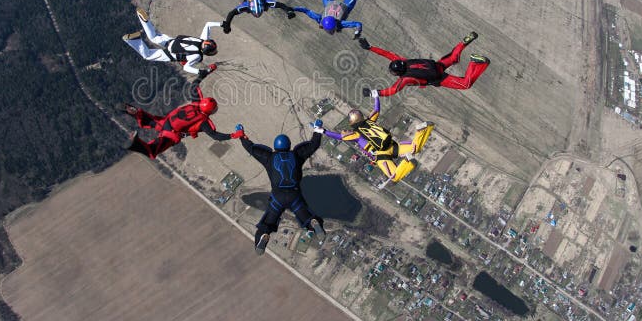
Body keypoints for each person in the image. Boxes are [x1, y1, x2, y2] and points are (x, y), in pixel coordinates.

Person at [236, 123, 326, 255]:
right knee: (307, 218)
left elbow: (251, 148)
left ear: (275, 146)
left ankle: (264, 235)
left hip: (277, 198)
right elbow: (313, 145)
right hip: (295, 196)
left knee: (265, 225)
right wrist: (317, 130)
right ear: (289, 145)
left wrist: (241, 135)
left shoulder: (269, 157)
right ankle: (312, 223)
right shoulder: (297, 155)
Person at [315, 91, 434, 184]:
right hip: (392, 146)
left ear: (352, 122)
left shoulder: (356, 134)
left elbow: (339, 136)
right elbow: (377, 109)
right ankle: (421, 130)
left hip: (381, 157)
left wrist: (323, 131)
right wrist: (375, 95)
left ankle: (408, 162)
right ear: (361, 117)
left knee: (395, 176)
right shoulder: (370, 121)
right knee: (416, 147)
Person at [124, 87, 242, 159]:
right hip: (171, 133)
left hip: (165, 122)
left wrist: (205, 72)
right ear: (210, 111)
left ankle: (135, 113)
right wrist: (234, 135)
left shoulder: (196, 103)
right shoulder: (203, 121)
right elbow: (216, 136)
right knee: (153, 150)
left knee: (150, 121)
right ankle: (136, 144)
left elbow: (194, 86)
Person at [358, 32, 489, 97]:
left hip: (439, 78)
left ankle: (474, 62)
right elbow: (387, 54)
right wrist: (370, 47)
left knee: (466, 84)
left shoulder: (405, 78)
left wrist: (372, 93)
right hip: (437, 65)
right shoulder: (403, 60)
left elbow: (392, 90)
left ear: (398, 73)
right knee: (453, 57)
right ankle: (464, 42)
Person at [123, 7, 221, 79]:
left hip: (171, 41)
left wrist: (222, 24)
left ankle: (145, 21)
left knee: (153, 36)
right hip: (170, 54)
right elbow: (186, 67)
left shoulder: (202, 40)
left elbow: (208, 24)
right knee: (147, 55)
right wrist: (200, 72)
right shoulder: (197, 56)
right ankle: (134, 40)